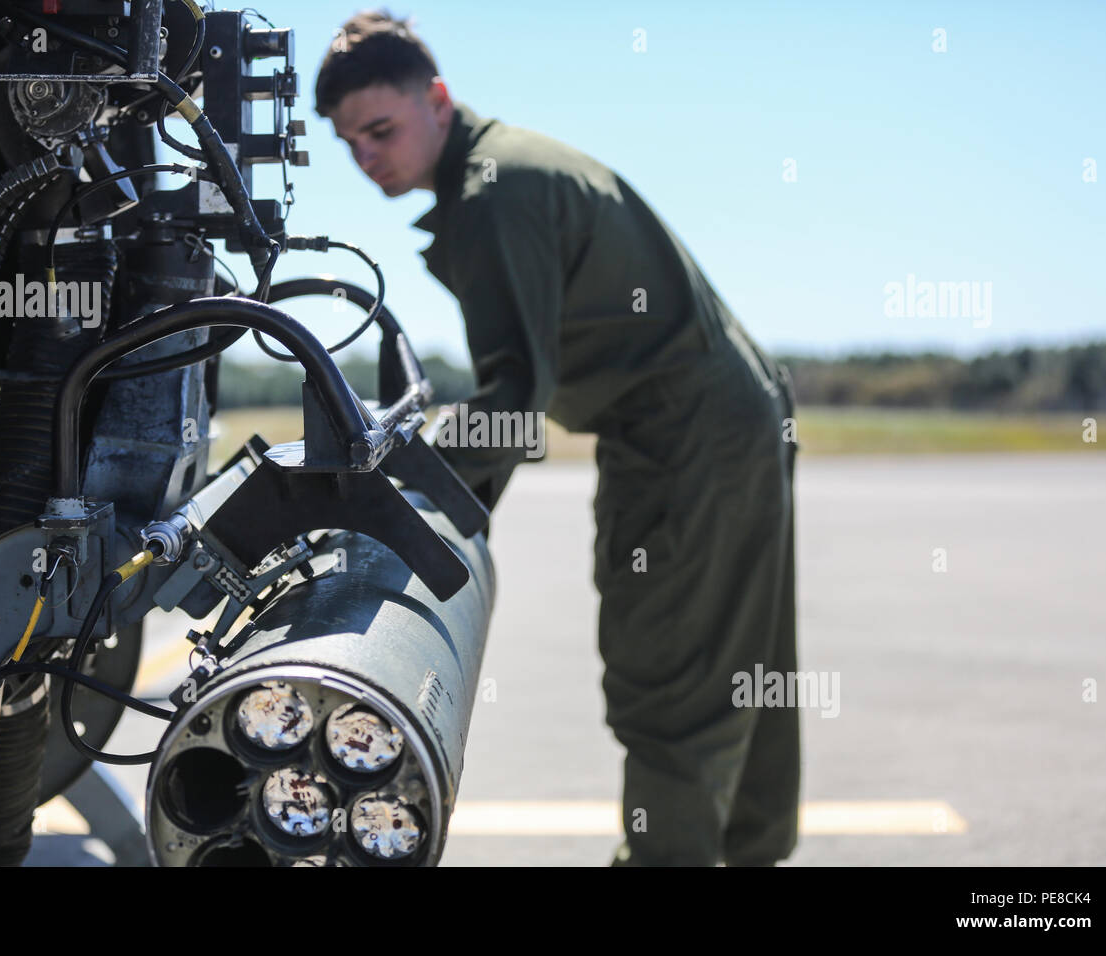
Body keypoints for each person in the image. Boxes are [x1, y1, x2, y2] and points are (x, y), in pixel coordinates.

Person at [315, 10, 801, 866]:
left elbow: (515, 406)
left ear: (437, 98)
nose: (367, 158)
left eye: (380, 130)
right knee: (744, 668)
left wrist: (392, 479)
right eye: (351, 144)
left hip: (684, 441)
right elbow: (515, 409)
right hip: (725, 419)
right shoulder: (510, 169)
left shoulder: (495, 193)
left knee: (673, 679)